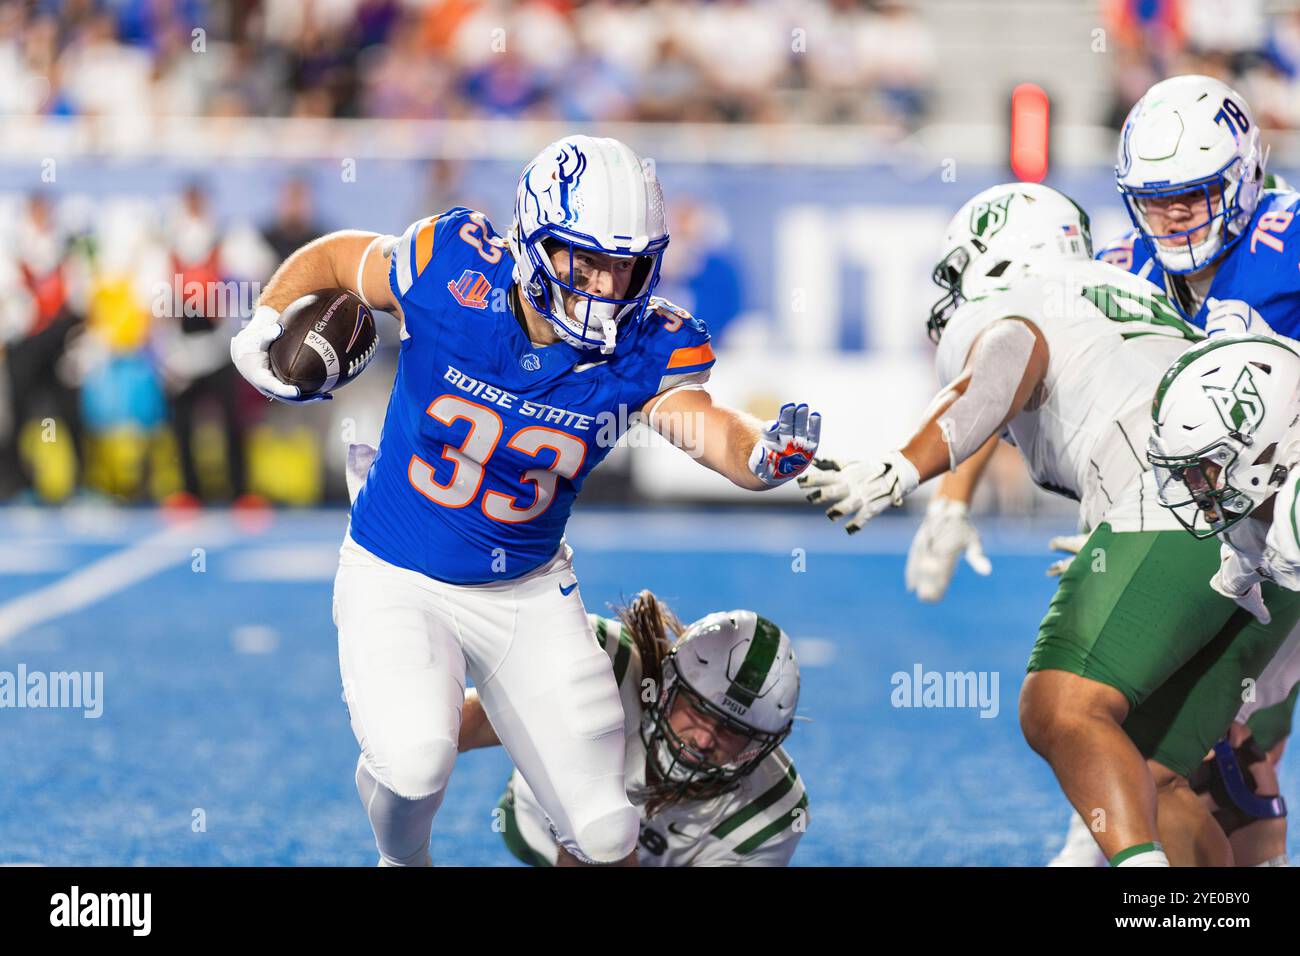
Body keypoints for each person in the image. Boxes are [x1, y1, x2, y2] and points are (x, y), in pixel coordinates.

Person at [229, 135, 821, 866]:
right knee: (415, 762)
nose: (608, 285)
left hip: (527, 592)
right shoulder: (454, 272)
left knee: (607, 832)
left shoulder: (644, 348)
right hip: (397, 569)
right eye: (587, 259)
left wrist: (763, 457)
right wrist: (265, 321)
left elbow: (714, 434)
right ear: (535, 239)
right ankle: (401, 861)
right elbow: (334, 260)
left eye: (627, 264)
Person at [800, 181, 1300, 865]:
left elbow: (1007, 357)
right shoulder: (1131, 292)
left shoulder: (1016, 304)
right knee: (1155, 773)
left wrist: (903, 465)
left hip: (1195, 496)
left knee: (1059, 708)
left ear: (995, 260)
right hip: (1270, 519)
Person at [459, 590, 808, 866]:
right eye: (698, 712)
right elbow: (472, 713)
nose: (703, 739)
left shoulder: (772, 807)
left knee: (604, 837)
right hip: (529, 824)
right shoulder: (607, 662)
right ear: (668, 684)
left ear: (761, 746)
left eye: (733, 731)